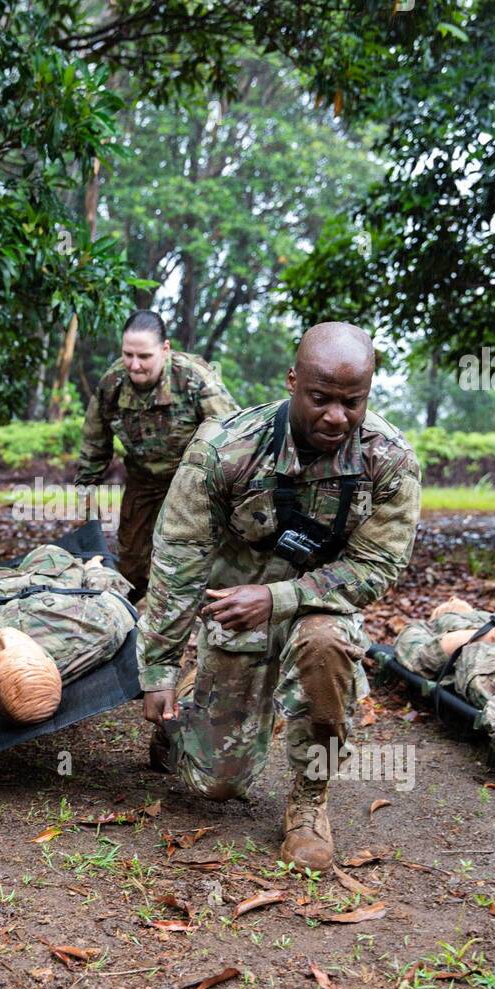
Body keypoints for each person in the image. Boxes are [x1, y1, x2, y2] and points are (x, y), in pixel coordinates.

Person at [138, 322, 421, 874]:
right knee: (215, 786)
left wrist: (279, 597)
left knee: (327, 644)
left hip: (313, 611)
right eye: (320, 399)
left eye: (352, 402)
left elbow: (377, 567)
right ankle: (193, 716)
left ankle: (309, 803)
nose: (336, 417)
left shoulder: (389, 462)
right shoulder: (226, 449)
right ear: (293, 381)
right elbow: (178, 561)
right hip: (234, 619)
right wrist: (160, 670)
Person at [74, 311, 238, 601]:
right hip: (143, 480)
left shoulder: (195, 380)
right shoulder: (112, 385)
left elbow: (235, 440)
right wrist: (86, 514)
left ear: (165, 349)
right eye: (128, 355)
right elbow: (93, 451)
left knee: (191, 559)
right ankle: (131, 619)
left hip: (193, 481)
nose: (134, 366)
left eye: (145, 356)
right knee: (133, 564)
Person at [0, 544, 135, 687]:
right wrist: (94, 570)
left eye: (2, 649)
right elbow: (111, 597)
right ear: (48, 660)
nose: (7, 636)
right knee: (52, 553)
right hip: (48, 588)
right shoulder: (95, 631)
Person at [394, 598, 495, 746]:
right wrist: (490, 634)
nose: (454, 599)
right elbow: (423, 659)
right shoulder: (427, 627)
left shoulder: (489, 616)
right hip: (485, 660)